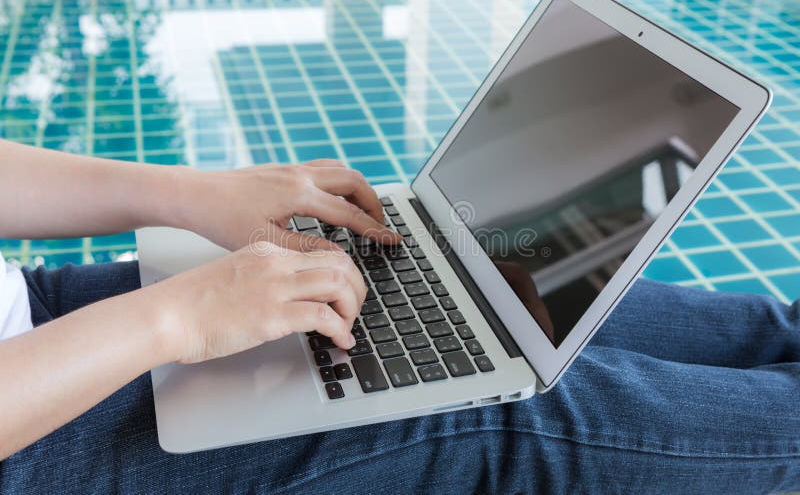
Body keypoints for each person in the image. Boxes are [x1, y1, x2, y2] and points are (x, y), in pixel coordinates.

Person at [0, 139, 797, 493]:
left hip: (29, 314)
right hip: (28, 441)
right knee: (507, 412)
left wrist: (185, 192)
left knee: (504, 294)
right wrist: (173, 320)